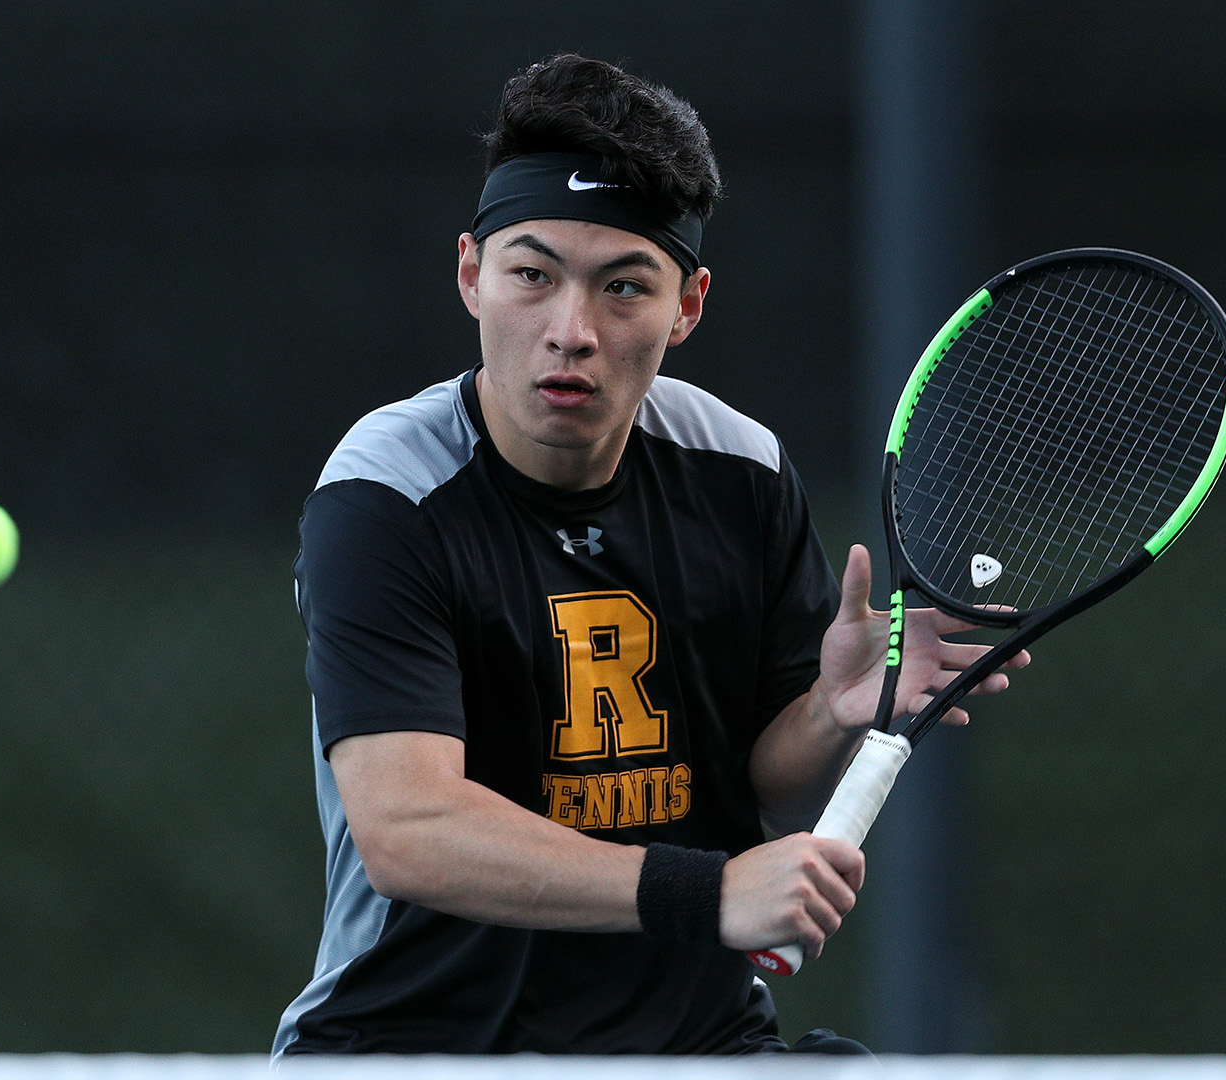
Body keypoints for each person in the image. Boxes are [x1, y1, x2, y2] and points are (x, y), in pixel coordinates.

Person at [273, 54, 1028, 1056]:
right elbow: (408, 829)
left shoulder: (739, 468)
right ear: (471, 275)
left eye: (624, 287)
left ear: (688, 305)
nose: (572, 331)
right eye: (532, 275)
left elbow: (761, 784)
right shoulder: (387, 495)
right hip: (421, 1049)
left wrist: (825, 711)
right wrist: (707, 892)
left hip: (696, 1047)